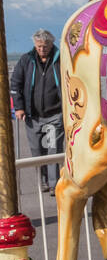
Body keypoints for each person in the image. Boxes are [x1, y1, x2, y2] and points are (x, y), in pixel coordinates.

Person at [12, 28, 62, 193]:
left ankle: (55, 184)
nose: (42, 49)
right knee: (37, 151)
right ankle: (43, 181)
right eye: (39, 46)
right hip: (32, 115)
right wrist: (19, 107)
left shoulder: (60, 59)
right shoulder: (27, 60)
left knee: (53, 150)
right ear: (34, 44)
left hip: (55, 114)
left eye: (45, 46)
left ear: (51, 43)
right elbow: (16, 83)